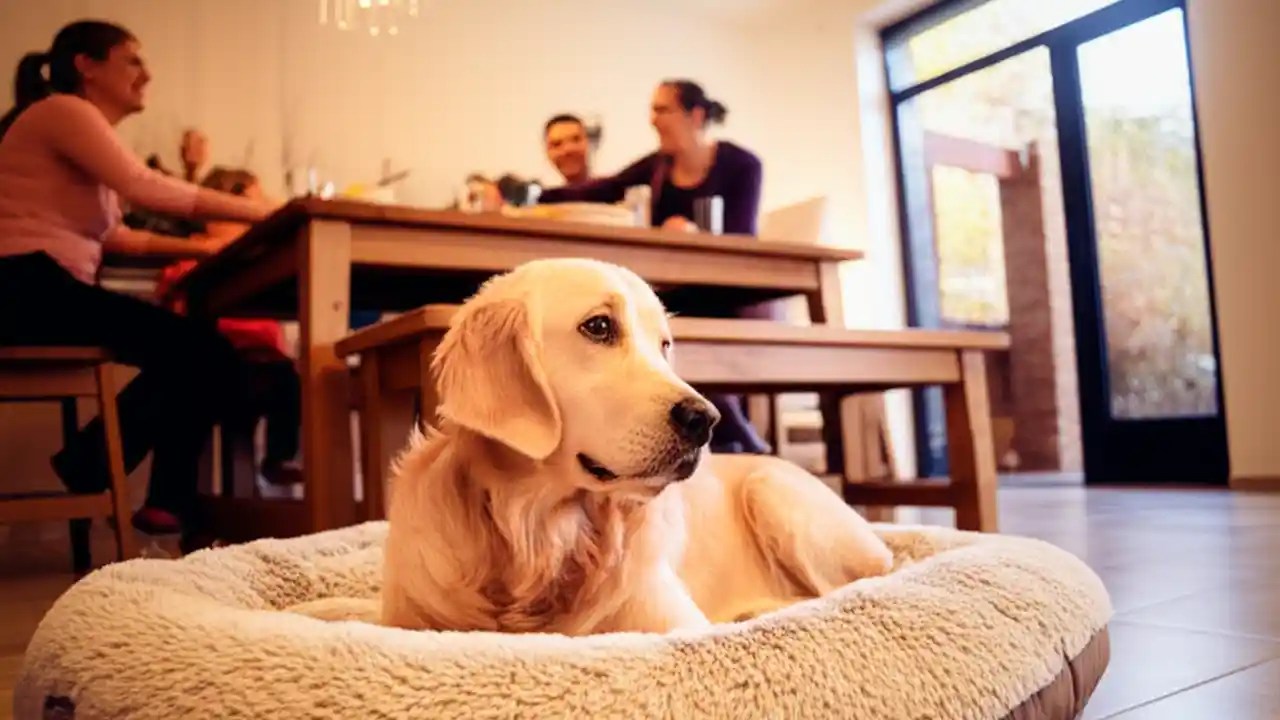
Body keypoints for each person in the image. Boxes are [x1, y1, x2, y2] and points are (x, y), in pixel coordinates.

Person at [0, 20, 274, 551]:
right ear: (87, 65)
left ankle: (143, 490)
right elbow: (142, 186)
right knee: (205, 350)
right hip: (21, 286)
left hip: (40, 288)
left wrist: (207, 248)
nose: (146, 75)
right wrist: (264, 214)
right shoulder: (64, 110)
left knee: (200, 351)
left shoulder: (74, 130)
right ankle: (128, 481)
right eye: (133, 60)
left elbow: (120, 237)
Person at [539, 79, 769, 454]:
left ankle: (738, 438)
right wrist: (532, 194)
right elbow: (601, 189)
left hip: (725, 297)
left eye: (662, 110)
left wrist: (695, 234)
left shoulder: (742, 165)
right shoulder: (658, 166)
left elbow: (743, 241)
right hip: (669, 298)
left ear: (695, 115)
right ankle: (732, 437)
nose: (652, 120)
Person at [155, 168, 302, 488]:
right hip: (220, 361)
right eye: (251, 204)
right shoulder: (197, 251)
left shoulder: (261, 258)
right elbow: (173, 292)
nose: (259, 215)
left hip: (267, 361)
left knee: (292, 382)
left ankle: (280, 457)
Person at [543, 113, 593, 186]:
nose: (568, 149)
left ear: (588, 143)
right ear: (548, 152)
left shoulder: (612, 193)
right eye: (557, 144)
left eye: (575, 140)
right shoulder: (549, 196)